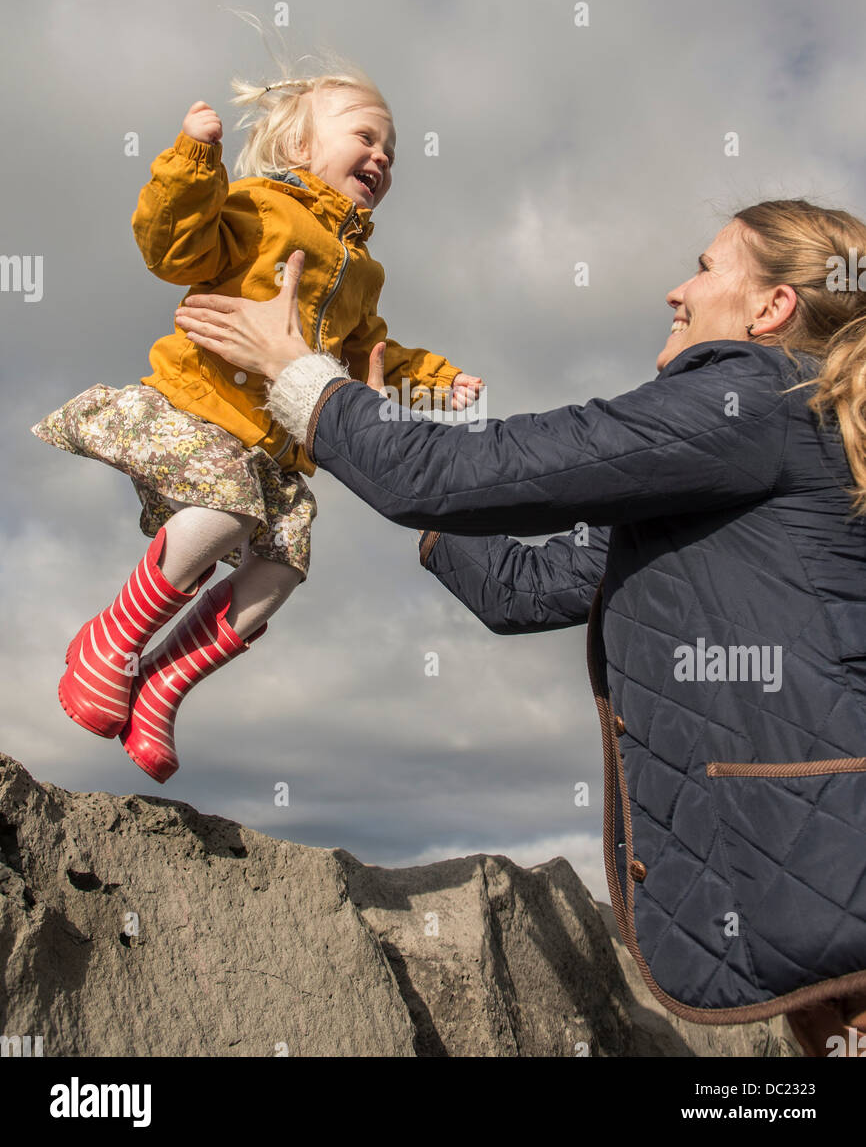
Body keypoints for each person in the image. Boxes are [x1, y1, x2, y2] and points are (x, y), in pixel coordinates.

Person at [172, 199, 866, 1052]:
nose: (676, 290)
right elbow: (523, 587)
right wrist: (389, 444)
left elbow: (466, 469)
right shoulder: (750, 441)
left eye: (707, 267)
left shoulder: (750, 399)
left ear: (771, 309)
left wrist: (300, 377)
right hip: (818, 896)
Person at [31, 65, 483, 785]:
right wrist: (191, 160)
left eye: (392, 152)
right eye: (365, 137)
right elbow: (174, 248)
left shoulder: (362, 272)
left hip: (273, 451)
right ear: (299, 146)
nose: (382, 158)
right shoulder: (259, 206)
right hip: (201, 407)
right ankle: (108, 642)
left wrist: (435, 380)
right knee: (225, 509)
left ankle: (160, 687)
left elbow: (372, 353)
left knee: (282, 564)